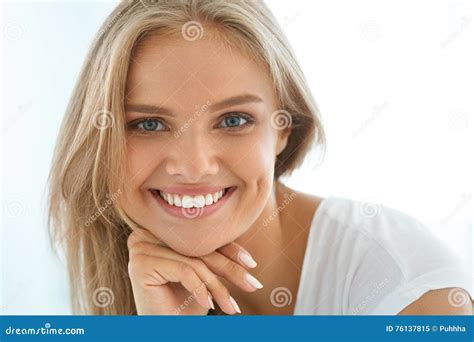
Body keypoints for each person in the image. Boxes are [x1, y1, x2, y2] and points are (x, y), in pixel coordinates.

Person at [48, 0, 473, 315]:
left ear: (284, 127)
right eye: (148, 124)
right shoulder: (127, 279)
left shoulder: (406, 290)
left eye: (233, 120)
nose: (195, 167)